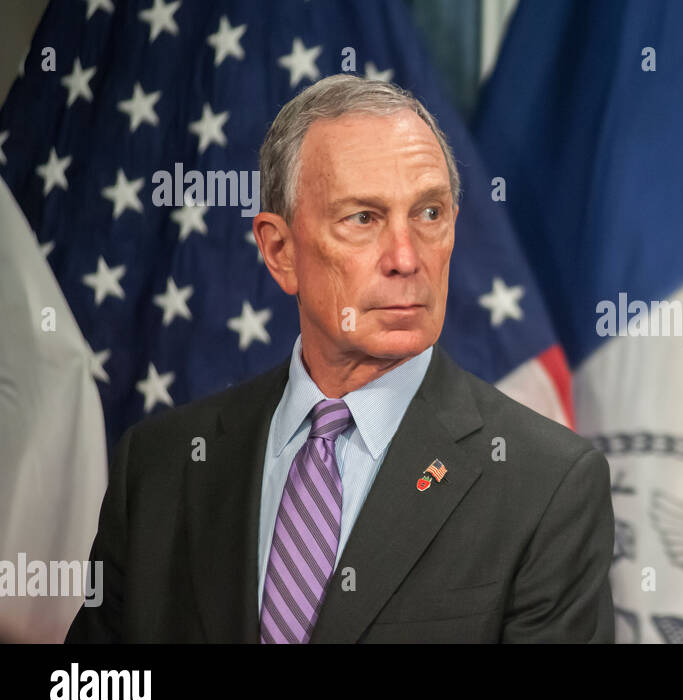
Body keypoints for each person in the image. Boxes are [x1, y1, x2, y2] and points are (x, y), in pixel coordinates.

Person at [65, 75, 615, 643]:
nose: (406, 258)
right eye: (363, 218)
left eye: (429, 214)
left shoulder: (546, 486)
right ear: (280, 251)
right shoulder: (159, 466)